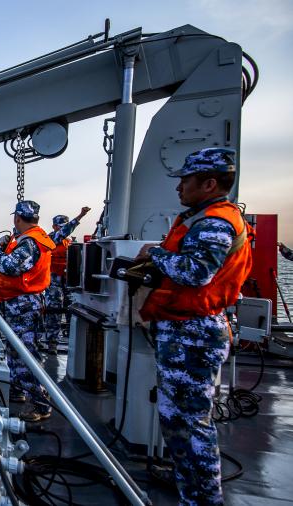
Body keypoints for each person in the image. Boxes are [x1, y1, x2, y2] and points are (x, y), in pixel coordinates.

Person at [136, 147, 253, 506]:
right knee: (177, 418)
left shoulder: (215, 224)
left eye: (186, 180)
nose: (179, 187)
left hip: (194, 334)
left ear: (210, 183)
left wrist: (154, 253)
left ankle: (203, 497)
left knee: (190, 422)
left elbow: (195, 272)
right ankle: (187, 475)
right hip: (184, 331)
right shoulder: (206, 219)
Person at [0, 200, 56, 422]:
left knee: (25, 354)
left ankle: (40, 405)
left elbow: (10, 267)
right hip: (19, 305)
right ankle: (18, 389)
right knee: (16, 351)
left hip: (22, 307)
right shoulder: (30, 240)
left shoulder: (30, 243)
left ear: (17, 218)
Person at [43, 207, 91, 353]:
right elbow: (66, 230)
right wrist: (80, 216)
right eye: (60, 227)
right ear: (54, 226)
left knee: (72, 309)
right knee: (54, 310)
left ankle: (73, 341)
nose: (62, 230)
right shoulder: (51, 239)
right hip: (54, 281)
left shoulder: (69, 243)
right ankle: (52, 341)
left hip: (69, 280)